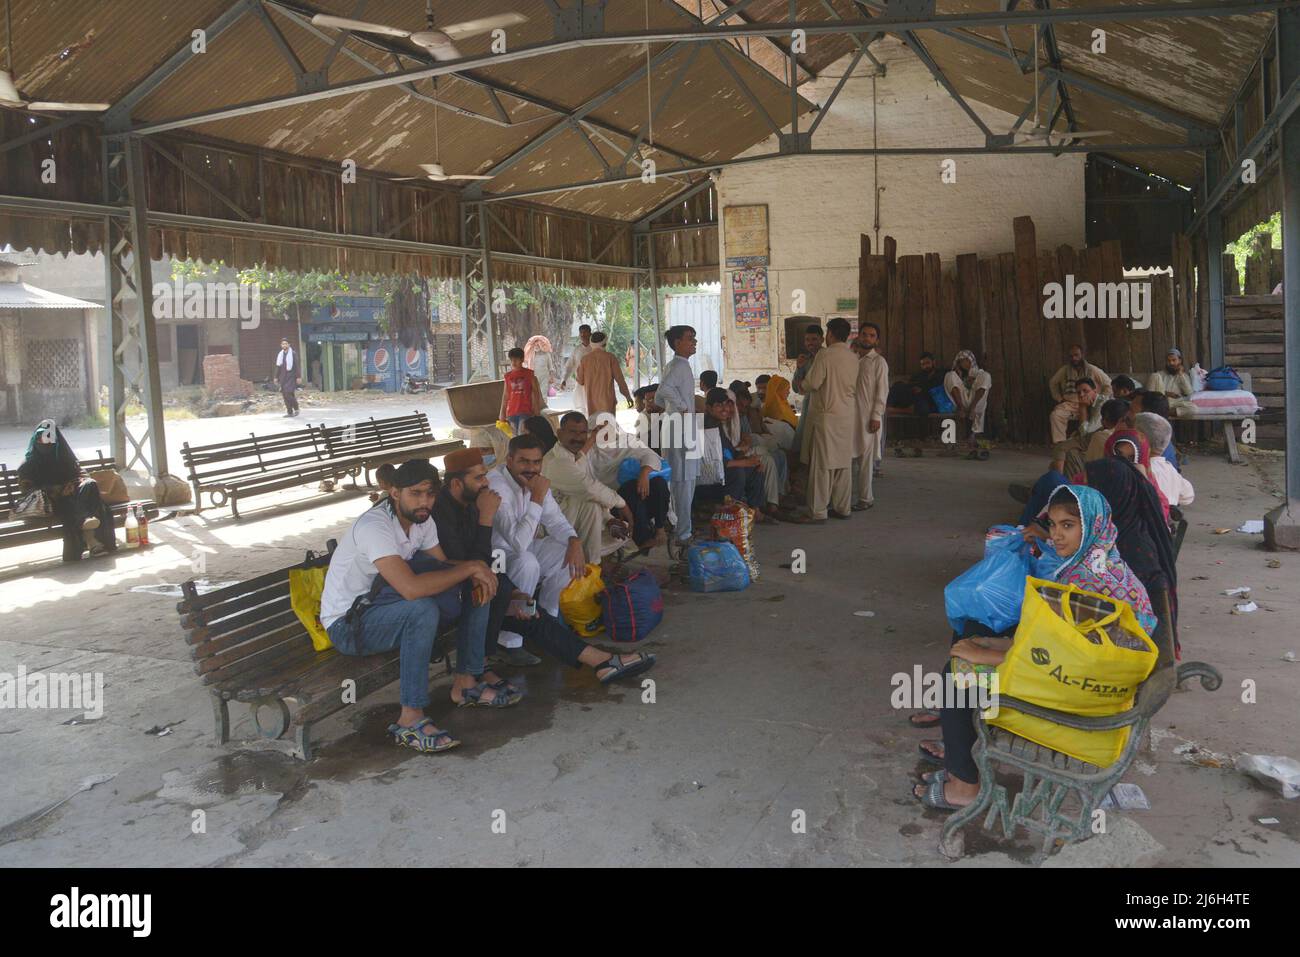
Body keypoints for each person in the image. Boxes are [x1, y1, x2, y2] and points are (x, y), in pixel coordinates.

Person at [916, 485, 1157, 810]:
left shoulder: (1086, 582)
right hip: (1087, 673)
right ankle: (961, 746)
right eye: (1054, 524)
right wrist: (991, 643)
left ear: (1092, 526)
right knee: (974, 631)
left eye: (1068, 526)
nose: (1056, 535)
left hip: (1083, 697)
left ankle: (964, 786)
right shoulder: (1096, 560)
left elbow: (1063, 659)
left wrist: (988, 654)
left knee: (958, 680)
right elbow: (1062, 642)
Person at [319, 459, 503, 754]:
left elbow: (443, 566)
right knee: (423, 609)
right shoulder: (374, 526)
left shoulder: (422, 521)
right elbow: (412, 589)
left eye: (429, 495)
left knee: (478, 581)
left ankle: (466, 682)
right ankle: (410, 718)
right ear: (394, 493)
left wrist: (478, 569)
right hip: (349, 623)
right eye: (415, 494)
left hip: (384, 604)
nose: (424, 502)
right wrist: (470, 568)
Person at [434, 447, 655, 685]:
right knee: (504, 586)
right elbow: (474, 564)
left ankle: (603, 662)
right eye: (478, 478)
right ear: (456, 485)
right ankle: (480, 667)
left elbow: (485, 561)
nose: (486, 482)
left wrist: (517, 592)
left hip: (487, 580)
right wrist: (487, 518)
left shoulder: (471, 501)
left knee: (532, 613)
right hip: (457, 593)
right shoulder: (445, 512)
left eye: (484, 475)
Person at [486, 434, 586, 627]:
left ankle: (547, 620)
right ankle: (512, 636)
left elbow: (556, 521)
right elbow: (518, 544)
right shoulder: (497, 485)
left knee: (566, 554)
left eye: (536, 462)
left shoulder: (535, 481)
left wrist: (574, 541)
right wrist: (537, 497)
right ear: (509, 460)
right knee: (527, 562)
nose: (531, 468)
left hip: (521, 549)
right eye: (523, 461)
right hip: (494, 557)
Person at [17, 419, 117, 562]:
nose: (45, 443)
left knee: (90, 484)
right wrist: (56, 490)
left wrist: (73, 484)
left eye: (49, 439)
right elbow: (27, 491)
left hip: (73, 498)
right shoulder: (27, 465)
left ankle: (87, 527)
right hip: (49, 504)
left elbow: (81, 475)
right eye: (41, 438)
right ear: (35, 439)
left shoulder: (65, 459)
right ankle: (92, 539)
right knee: (75, 503)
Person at [543, 411, 635, 560]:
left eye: (582, 433)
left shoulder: (579, 456)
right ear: (559, 434)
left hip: (582, 523)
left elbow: (592, 490)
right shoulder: (555, 461)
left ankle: (589, 564)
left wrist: (608, 519)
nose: (578, 438)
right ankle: (592, 565)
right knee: (589, 502)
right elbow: (589, 489)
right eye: (573, 432)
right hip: (555, 529)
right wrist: (622, 504)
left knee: (622, 532)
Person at [797, 317, 859, 523]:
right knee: (843, 464)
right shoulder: (853, 357)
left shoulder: (825, 355)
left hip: (827, 417)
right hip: (847, 416)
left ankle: (818, 511)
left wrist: (801, 383)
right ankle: (843, 507)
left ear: (830, 334)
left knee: (822, 465)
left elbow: (812, 383)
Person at [655, 325, 702, 558]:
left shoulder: (676, 365)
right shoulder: (679, 366)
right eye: (689, 339)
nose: (694, 342)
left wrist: (674, 409)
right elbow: (663, 390)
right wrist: (682, 408)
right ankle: (684, 533)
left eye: (694, 338)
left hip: (677, 427)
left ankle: (679, 525)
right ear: (676, 343)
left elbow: (658, 397)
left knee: (681, 480)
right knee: (684, 481)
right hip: (681, 430)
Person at [696, 387, 766, 513]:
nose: (725, 409)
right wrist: (745, 462)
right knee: (737, 472)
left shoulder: (718, 423)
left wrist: (749, 460)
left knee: (756, 468)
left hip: (723, 472)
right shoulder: (706, 426)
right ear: (708, 407)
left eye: (726, 405)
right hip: (707, 480)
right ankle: (730, 513)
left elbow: (729, 453)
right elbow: (712, 463)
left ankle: (756, 510)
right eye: (718, 405)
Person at [731, 382, 786, 519]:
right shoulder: (727, 417)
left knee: (769, 458)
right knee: (765, 455)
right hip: (733, 455)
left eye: (745, 406)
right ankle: (770, 504)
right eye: (740, 405)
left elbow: (747, 436)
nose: (742, 409)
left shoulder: (743, 415)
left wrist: (746, 441)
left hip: (743, 450)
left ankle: (773, 504)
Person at [852, 322, 889, 511]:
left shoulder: (878, 362)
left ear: (877, 340)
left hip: (868, 417)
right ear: (859, 336)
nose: (867, 338)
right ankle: (845, 498)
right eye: (864, 334)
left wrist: (876, 415)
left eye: (871, 335)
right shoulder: (853, 359)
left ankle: (866, 498)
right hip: (851, 416)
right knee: (850, 457)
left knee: (865, 459)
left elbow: (882, 391)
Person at [1048, 345, 1112, 443]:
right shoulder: (1065, 370)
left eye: (1076, 355)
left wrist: (1100, 398)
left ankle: (1085, 444)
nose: (1074, 358)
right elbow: (1053, 383)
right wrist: (1059, 398)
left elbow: (1108, 384)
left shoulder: (1092, 369)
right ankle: (1059, 444)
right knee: (1056, 415)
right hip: (1070, 404)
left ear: (1082, 355)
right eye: (1071, 356)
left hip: (1090, 403)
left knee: (1092, 426)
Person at [1104, 429, 1170, 522]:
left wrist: (1143, 484)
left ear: (1141, 458)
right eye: (1118, 455)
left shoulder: (1149, 482)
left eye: (1131, 458)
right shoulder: (1092, 478)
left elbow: (1158, 517)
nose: (1124, 463)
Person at [1134, 412, 1194, 509]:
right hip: (1165, 521)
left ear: (1140, 438)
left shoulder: (1140, 470)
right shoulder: (1170, 469)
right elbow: (1188, 496)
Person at [1050, 376, 1102, 474]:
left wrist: (1082, 408)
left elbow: (1086, 432)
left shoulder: (1101, 405)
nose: (1081, 395)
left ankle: (1059, 482)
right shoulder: (1089, 403)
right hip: (1088, 437)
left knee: (1060, 448)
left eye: (1085, 391)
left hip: (1096, 438)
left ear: (1095, 391)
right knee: (1056, 462)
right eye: (1078, 393)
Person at [945, 350, 991, 454]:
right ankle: (961, 408)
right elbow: (954, 383)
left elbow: (981, 385)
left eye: (966, 360)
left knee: (986, 376)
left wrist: (973, 407)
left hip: (976, 403)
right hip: (960, 402)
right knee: (949, 375)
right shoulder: (957, 373)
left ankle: (973, 435)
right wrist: (960, 375)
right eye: (961, 361)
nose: (964, 363)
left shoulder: (978, 373)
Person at [576, 331, 632, 416]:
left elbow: (580, 381)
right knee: (608, 426)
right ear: (604, 343)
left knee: (594, 427)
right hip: (607, 402)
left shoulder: (584, 360)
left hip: (591, 403)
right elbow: (620, 381)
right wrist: (628, 396)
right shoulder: (610, 358)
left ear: (591, 343)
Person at [500, 347, 543, 435]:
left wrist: (536, 409)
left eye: (516, 360)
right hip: (512, 411)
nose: (513, 362)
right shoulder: (507, 376)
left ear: (522, 360)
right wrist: (502, 412)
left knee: (522, 434)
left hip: (525, 410)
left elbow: (535, 393)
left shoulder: (529, 374)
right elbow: (505, 395)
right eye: (512, 360)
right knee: (514, 437)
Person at [1146, 348, 1195, 417]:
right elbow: (1149, 394)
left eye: (1174, 360)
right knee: (1154, 375)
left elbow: (1189, 393)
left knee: (1193, 408)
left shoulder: (1184, 376)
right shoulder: (1159, 375)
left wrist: (1180, 374)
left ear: (1180, 361)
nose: (1171, 363)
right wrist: (1166, 393)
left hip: (1173, 404)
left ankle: (1162, 412)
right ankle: (1158, 410)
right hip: (1159, 402)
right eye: (1168, 361)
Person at [759, 374, 798, 451]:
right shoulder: (776, 409)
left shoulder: (783, 404)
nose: (789, 392)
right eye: (787, 389)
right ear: (779, 391)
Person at [561, 324, 594, 411]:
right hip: (581, 384)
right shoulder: (577, 350)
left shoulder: (595, 349)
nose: (583, 335)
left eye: (585, 332)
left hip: (595, 384)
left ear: (590, 333)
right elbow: (569, 366)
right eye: (581, 333)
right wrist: (564, 379)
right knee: (582, 408)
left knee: (594, 407)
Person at [274, 338, 300, 417]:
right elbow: (278, 367)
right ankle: (290, 412)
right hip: (283, 377)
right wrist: (276, 377)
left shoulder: (293, 353)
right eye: (283, 344)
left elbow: (296, 366)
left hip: (291, 376)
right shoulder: (281, 354)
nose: (284, 345)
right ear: (281, 345)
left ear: (289, 345)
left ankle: (296, 407)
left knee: (288, 393)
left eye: (286, 343)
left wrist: (298, 377)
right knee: (285, 395)